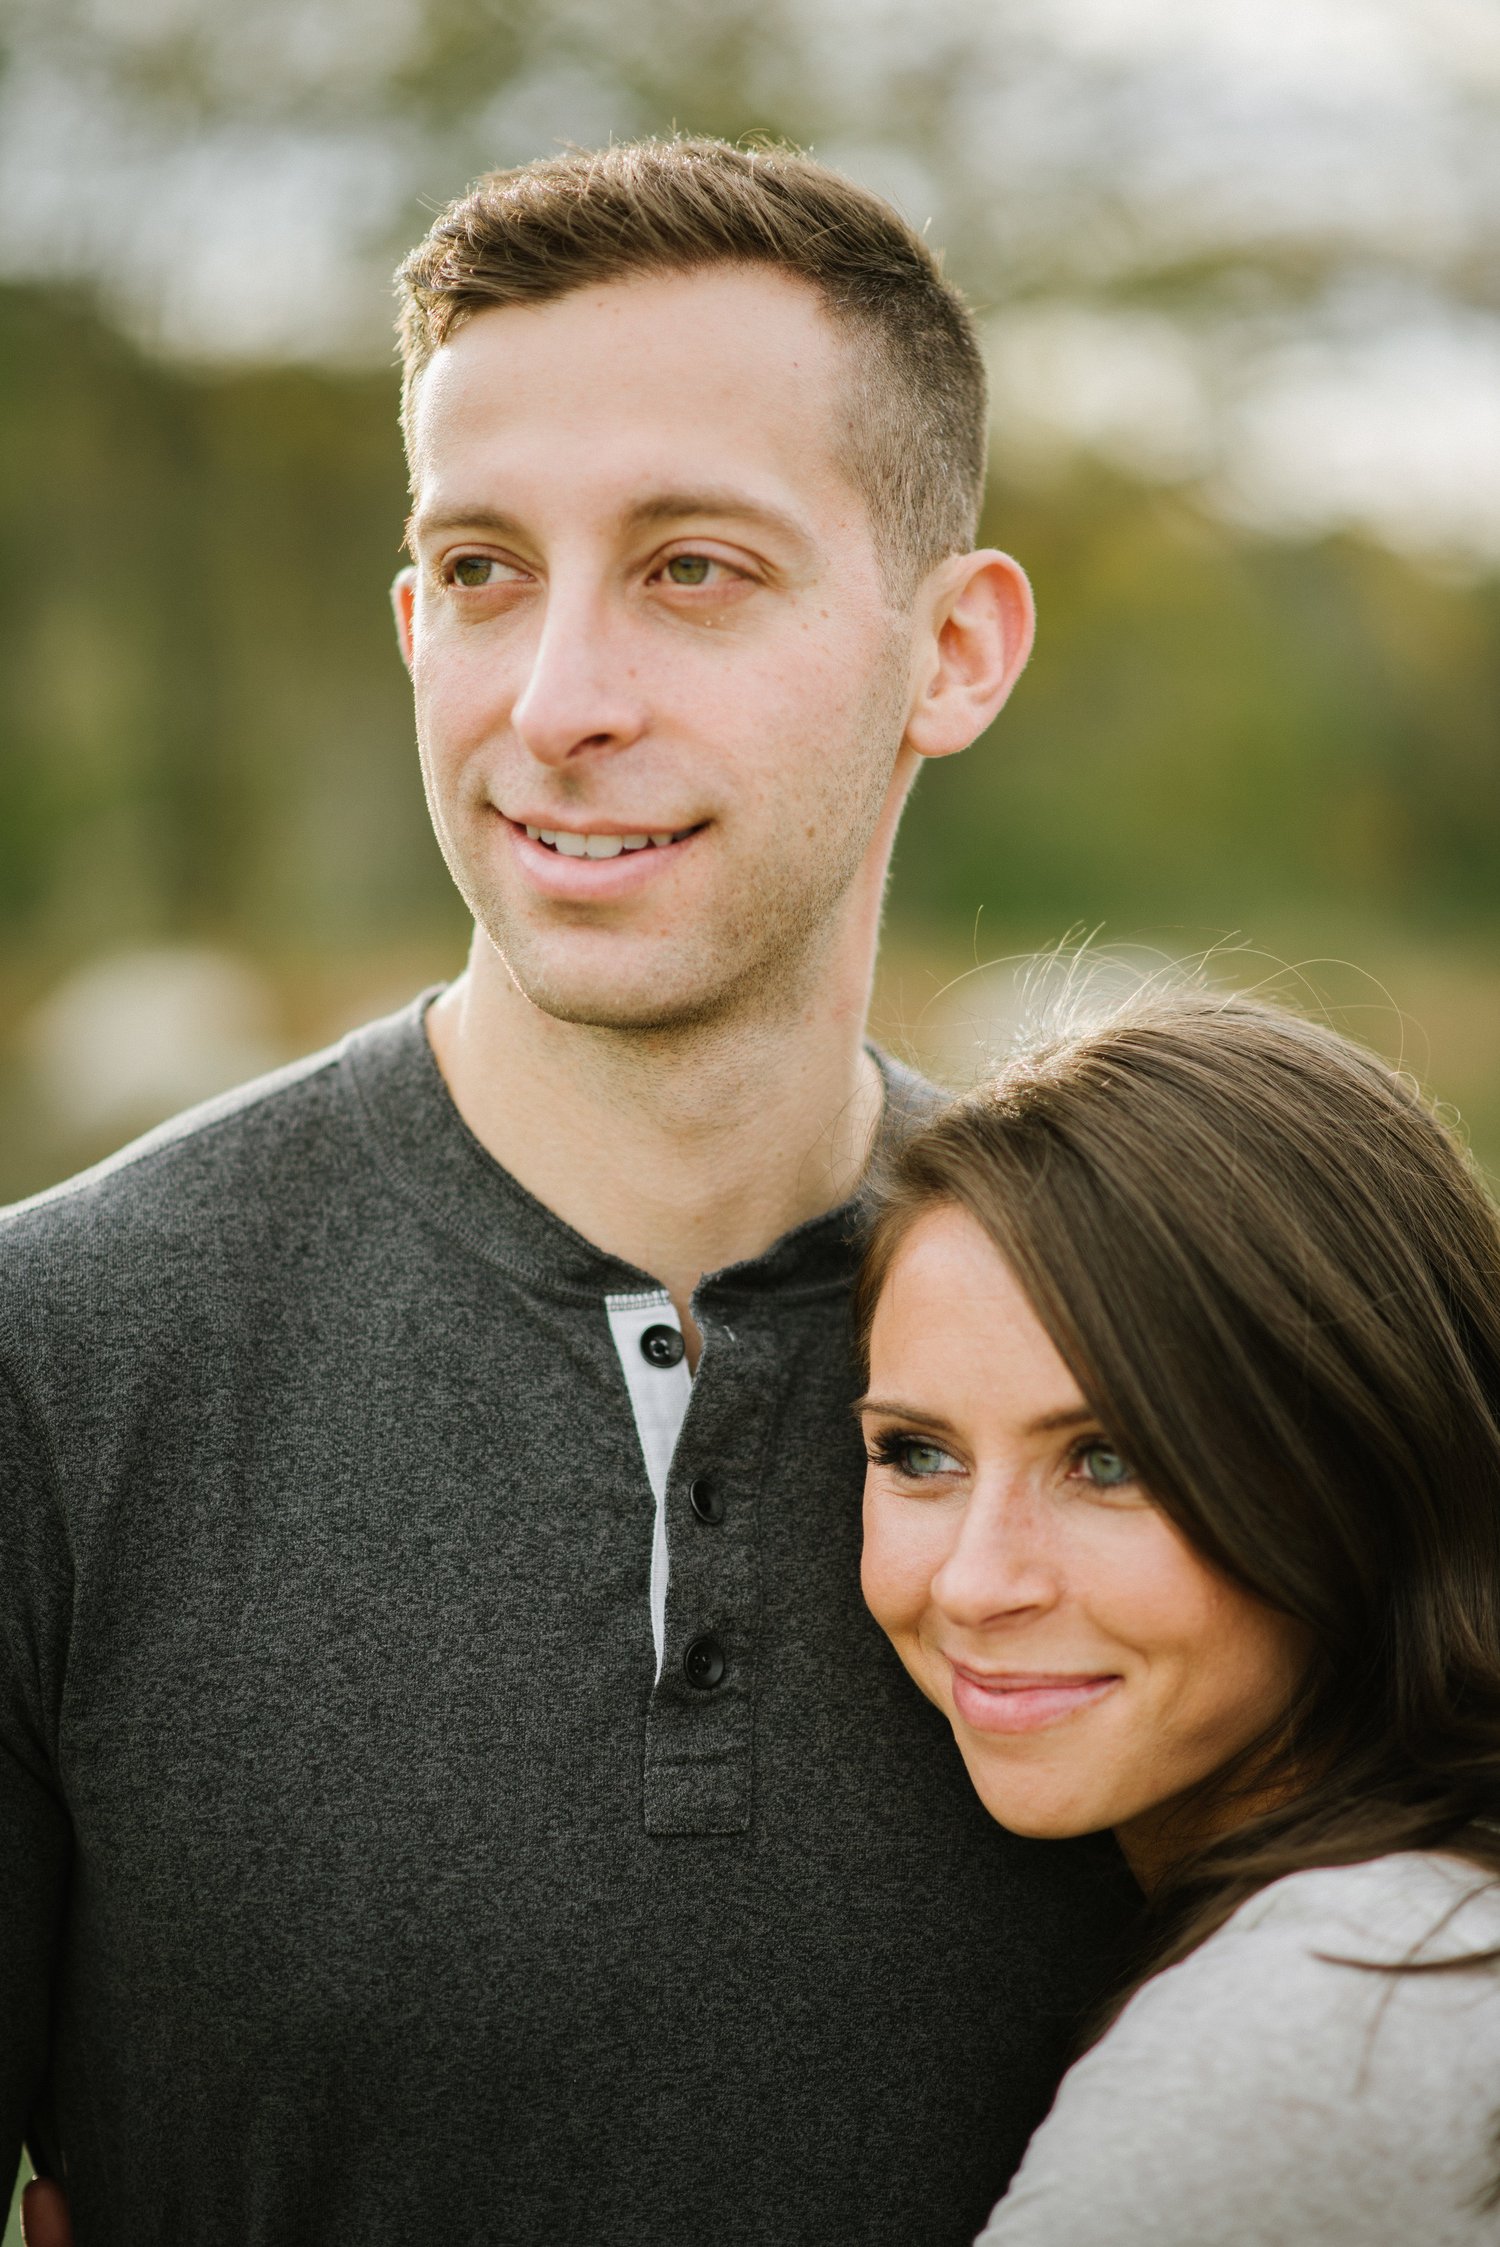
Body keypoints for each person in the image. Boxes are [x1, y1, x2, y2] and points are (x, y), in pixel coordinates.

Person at [0, 141, 1137, 2247]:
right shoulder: (51, 1365)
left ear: (954, 650)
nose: (557, 703)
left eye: (696, 566)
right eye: (488, 571)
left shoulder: (1168, 1361)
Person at [857, 978, 1500, 2246]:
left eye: (1110, 1462)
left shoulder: (1326, 2017)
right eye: (918, 1454)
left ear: (1368, 1464)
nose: (979, 1582)